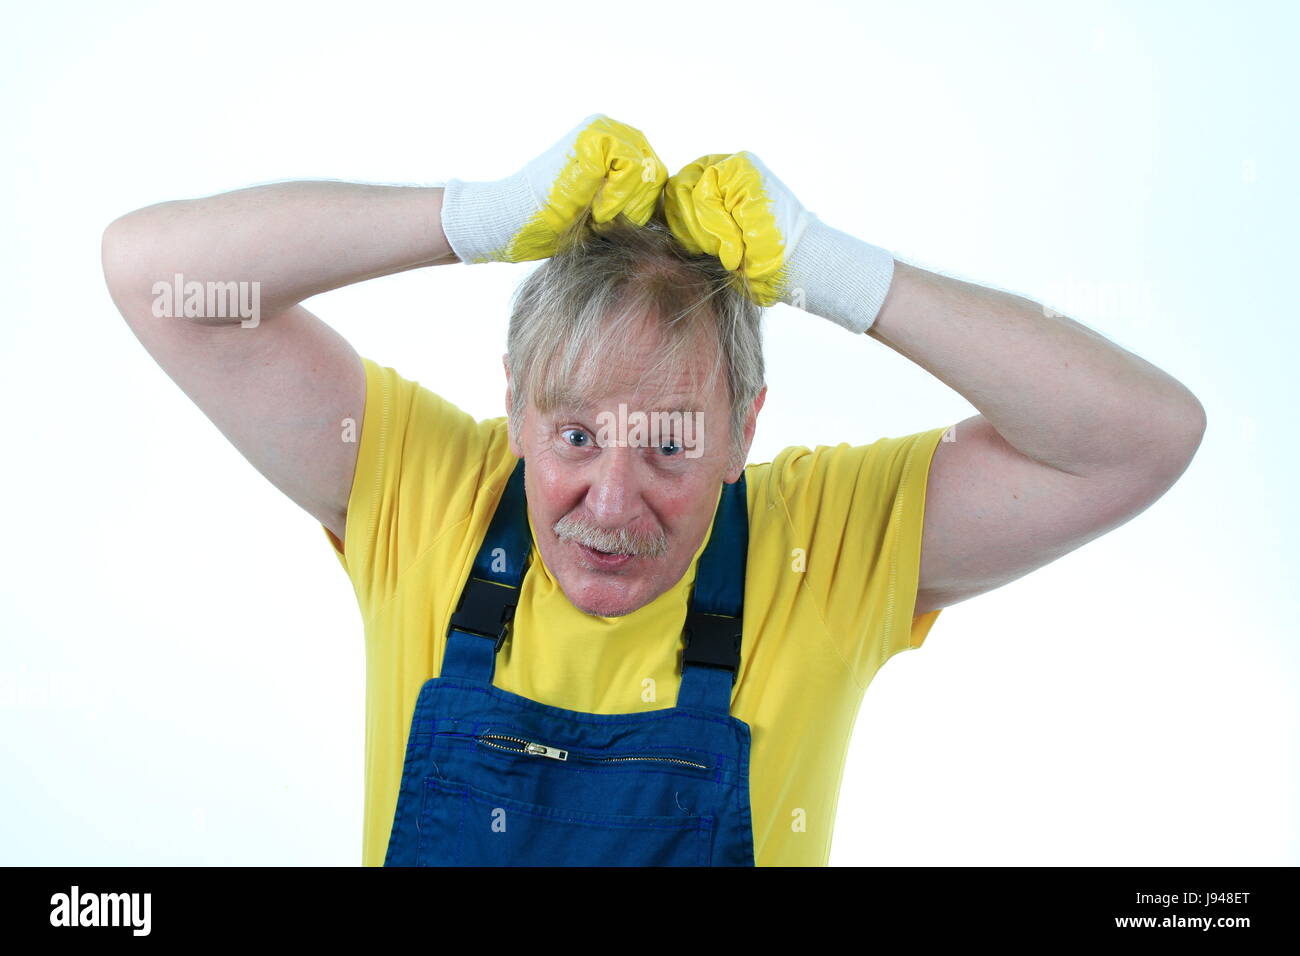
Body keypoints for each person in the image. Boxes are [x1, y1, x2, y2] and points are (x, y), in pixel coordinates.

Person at [100, 114, 1206, 866]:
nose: (613, 503)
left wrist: (835, 268)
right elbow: (157, 277)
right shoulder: (424, 492)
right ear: (516, 409)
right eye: (574, 432)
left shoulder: (819, 547)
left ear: (745, 432)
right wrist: (465, 215)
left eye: (671, 442)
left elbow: (1137, 438)